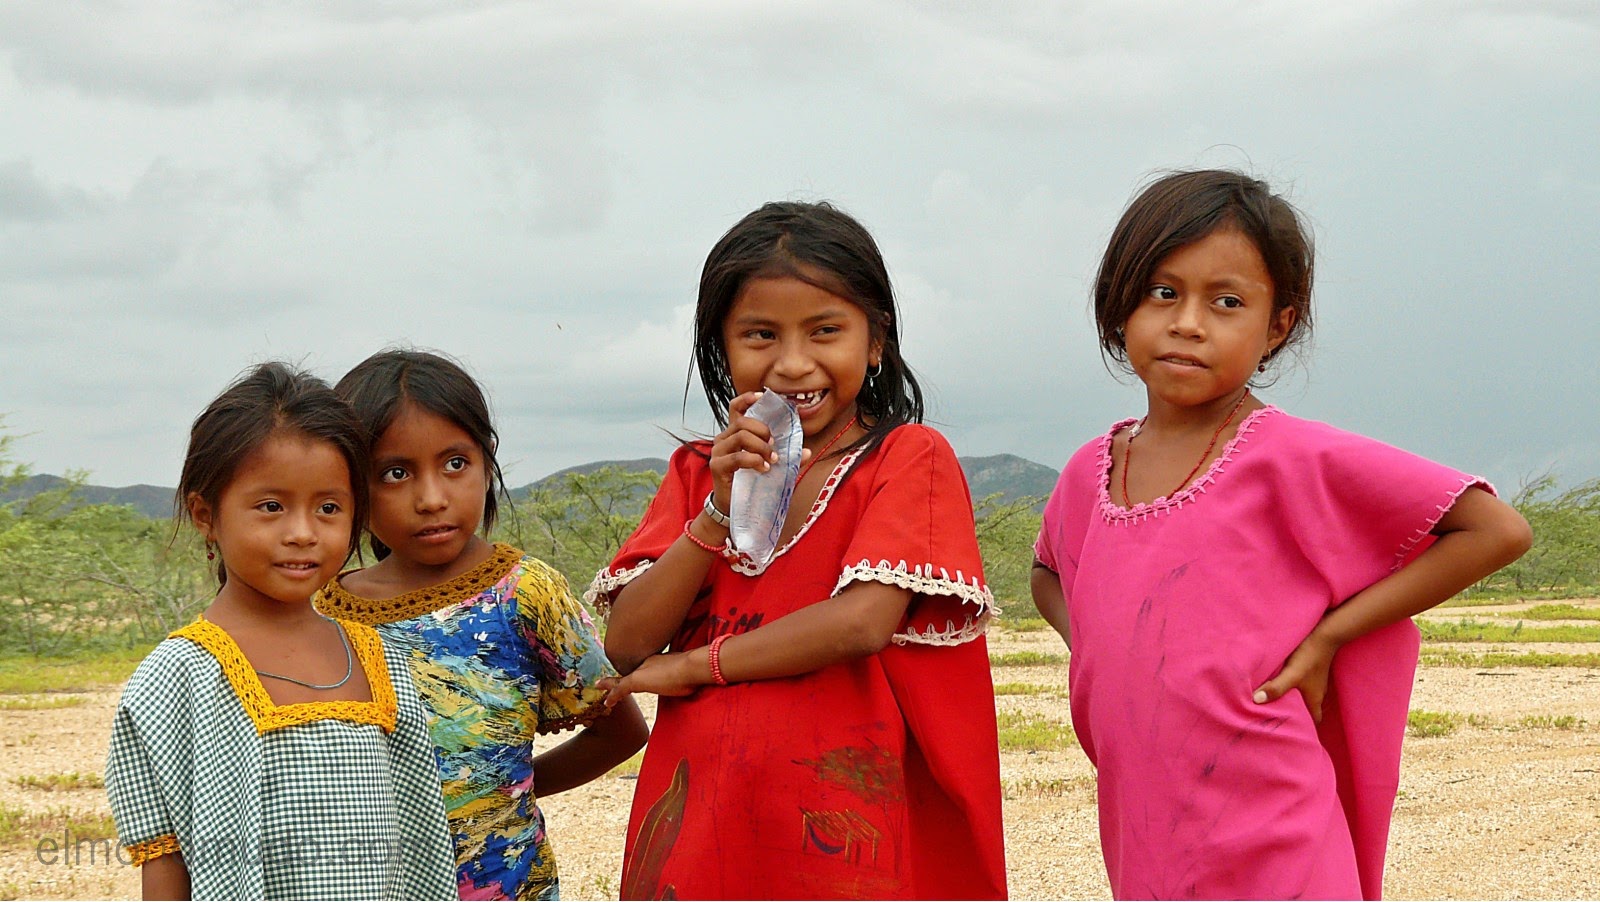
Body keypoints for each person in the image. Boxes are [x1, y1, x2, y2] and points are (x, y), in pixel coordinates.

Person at [1030, 169, 1533, 900]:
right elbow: (1049, 571)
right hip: (1147, 824)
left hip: (1276, 826)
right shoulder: (1091, 471)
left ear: (1277, 327)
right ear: (1119, 303)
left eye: (1227, 302)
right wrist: (1103, 650)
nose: (1188, 322)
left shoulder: (1293, 458)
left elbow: (1494, 529)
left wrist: (1330, 636)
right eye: (1162, 292)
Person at [590, 201, 1007, 900]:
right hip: (707, 824)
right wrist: (718, 510)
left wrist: (696, 664)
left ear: (875, 341)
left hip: (847, 830)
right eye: (760, 334)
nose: (791, 363)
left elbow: (861, 621)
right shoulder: (698, 473)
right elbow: (628, 645)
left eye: (825, 331)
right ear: (722, 347)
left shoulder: (906, 458)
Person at [105, 362, 457, 901]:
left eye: (328, 508)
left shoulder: (381, 658)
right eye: (271, 507)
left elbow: (422, 843)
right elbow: (165, 863)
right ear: (205, 515)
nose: (302, 533)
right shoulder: (177, 678)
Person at [314, 348, 648, 901]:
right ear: (351, 484)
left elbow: (621, 731)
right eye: (395, 473)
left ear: (486, 464)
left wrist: (505, 791)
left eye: (455, 464)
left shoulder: (526, 594)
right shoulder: (326, 613)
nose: (432, 498)